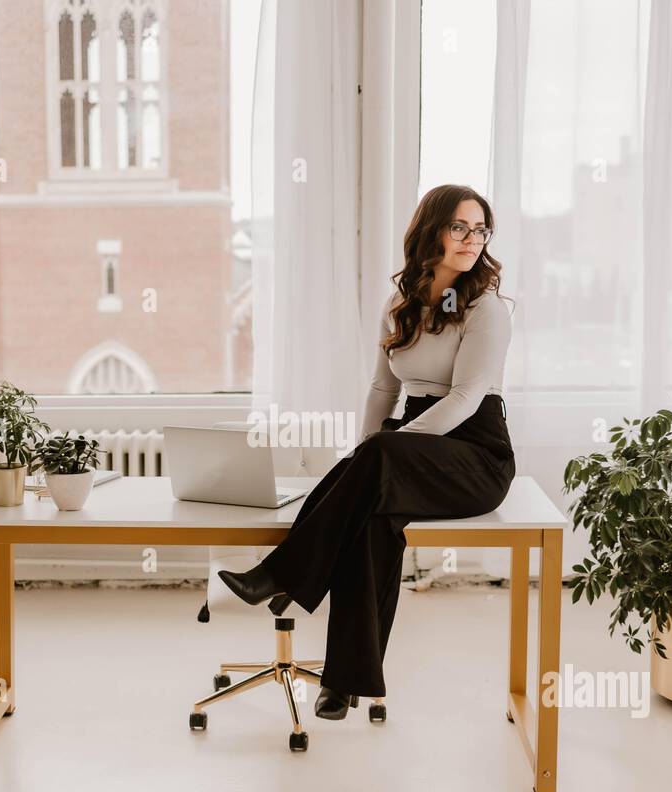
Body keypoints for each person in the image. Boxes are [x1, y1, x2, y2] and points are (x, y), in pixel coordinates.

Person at [218, 184, 516, 719]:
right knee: (371, 526)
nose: (473, 240)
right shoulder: (400, 304)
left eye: (481, 229)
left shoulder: (485, 307)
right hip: (412, 445)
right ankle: (345, 683)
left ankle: (282, 572)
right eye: (460, 228)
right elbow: (384, 391)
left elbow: (468, 397)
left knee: (378, 454)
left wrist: (382, 450)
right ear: (433, 231)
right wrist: (365, 458)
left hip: (475, 452)